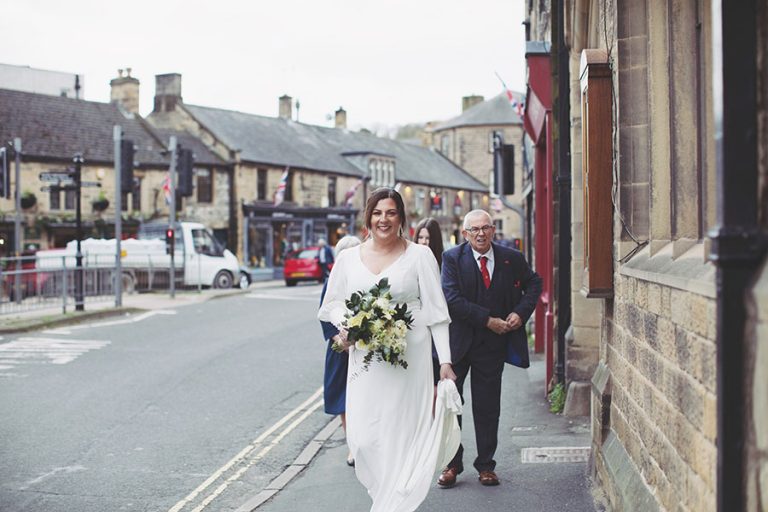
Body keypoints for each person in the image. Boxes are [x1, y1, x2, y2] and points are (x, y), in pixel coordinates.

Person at [319, 187, 461, 512]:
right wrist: (350, 324)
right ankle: (385, 497)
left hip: (409, 361)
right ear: (368, 217)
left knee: (402, 436)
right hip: (366, 363)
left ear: (400, 218)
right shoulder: (347, 259)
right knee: (364, 440)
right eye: (377, 213)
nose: (384, 219)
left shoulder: (420, 257)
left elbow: (438, 314)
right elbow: (331, 306)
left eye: (391, 213)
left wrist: (446, 362)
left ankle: (394, 505)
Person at [438, 209, 542, 488]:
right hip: (458, 345)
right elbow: (452, 299)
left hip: (491, 347)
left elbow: (534, 283)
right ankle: (451, 464)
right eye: (474, 229)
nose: (480, 233)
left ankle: (486, 465)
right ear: (465, 234)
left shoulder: (512, 258)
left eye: (486, 228)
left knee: (487, 407)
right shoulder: (451, 259)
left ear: (494, 230)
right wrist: (487, 320)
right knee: (451, 406)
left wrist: (521, 313)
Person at [319, 235, 362, 466]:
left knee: (365, 399)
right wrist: (343, 341)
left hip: (364, 349)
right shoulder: (332, 282)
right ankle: (352, 448)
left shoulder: (366, 278)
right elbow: (325, 315)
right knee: (344, 402)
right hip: (340, 351)